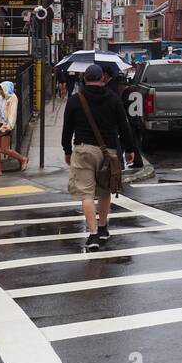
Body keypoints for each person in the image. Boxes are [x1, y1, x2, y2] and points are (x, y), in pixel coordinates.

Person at [62, 64, 137, 252]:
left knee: (86, 193)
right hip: (108, 151)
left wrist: (67, 150)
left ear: (85, 79)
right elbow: (123, 126)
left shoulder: (75, 100)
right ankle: (103, 227)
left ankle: (93, 234)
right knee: (105, 190)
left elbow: (67, 129)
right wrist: (130, 149)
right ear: (102, 78)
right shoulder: (113, 99)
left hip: (83, 150)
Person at [0, 81, 28, 177]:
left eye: (1, 89)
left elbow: (12, 113)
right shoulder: (0, 98)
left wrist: (9, 126)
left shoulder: (13, 98)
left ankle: (23, 159)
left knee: (4, 149)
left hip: (6, 124)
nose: (0, 91)